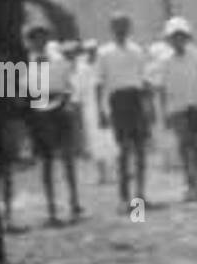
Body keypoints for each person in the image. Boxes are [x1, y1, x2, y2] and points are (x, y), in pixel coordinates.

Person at [151, 16, 197, 201]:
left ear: (187, 37)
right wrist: (164, 112)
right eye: (174, 37)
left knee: (195, 145)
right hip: (177, 109)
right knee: (184, 143)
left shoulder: (196, 55)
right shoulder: (164, 61)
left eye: (181, 36)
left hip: (196, 105)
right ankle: (189, 183)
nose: (178, 40)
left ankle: (196, 183)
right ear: (169, 40)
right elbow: (161, 87)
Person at [23, 26, 83, 224]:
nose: (40, 42)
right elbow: (24, 91)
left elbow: (68, 83)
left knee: (67, 157)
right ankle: (51, 210)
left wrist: (68, 103)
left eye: (43, 38)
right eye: (35, 39)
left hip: (59, 106)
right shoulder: (26, 63)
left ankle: (74, 202)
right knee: (47, 161)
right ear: (30, 41)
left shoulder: (58, 59)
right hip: (40, 107)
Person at [95, 12, 153, 211]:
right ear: (112, 29)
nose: (121, 29)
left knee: (140, 151)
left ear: (129, 28)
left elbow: (144, 81)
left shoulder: (137, 50)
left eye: (124, 25)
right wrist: (100, 112)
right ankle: (124, 198)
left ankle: (140, 199)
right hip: (118, 102)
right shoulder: (104, 53)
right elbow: (99, 83)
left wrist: (149, 107)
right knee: (123, 151)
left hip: (136, 99)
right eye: (117, 26)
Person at [73, 38, 115, 184]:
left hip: (105, 104)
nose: (91, 53)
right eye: (88, 50)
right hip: (89, 107)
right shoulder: (81, 67)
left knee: (110, 138)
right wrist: (77, 102)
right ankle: (101, 173)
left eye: (93, 50)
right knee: (94, 140)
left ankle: (114, 172)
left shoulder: (103, 63)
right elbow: (78, 87)